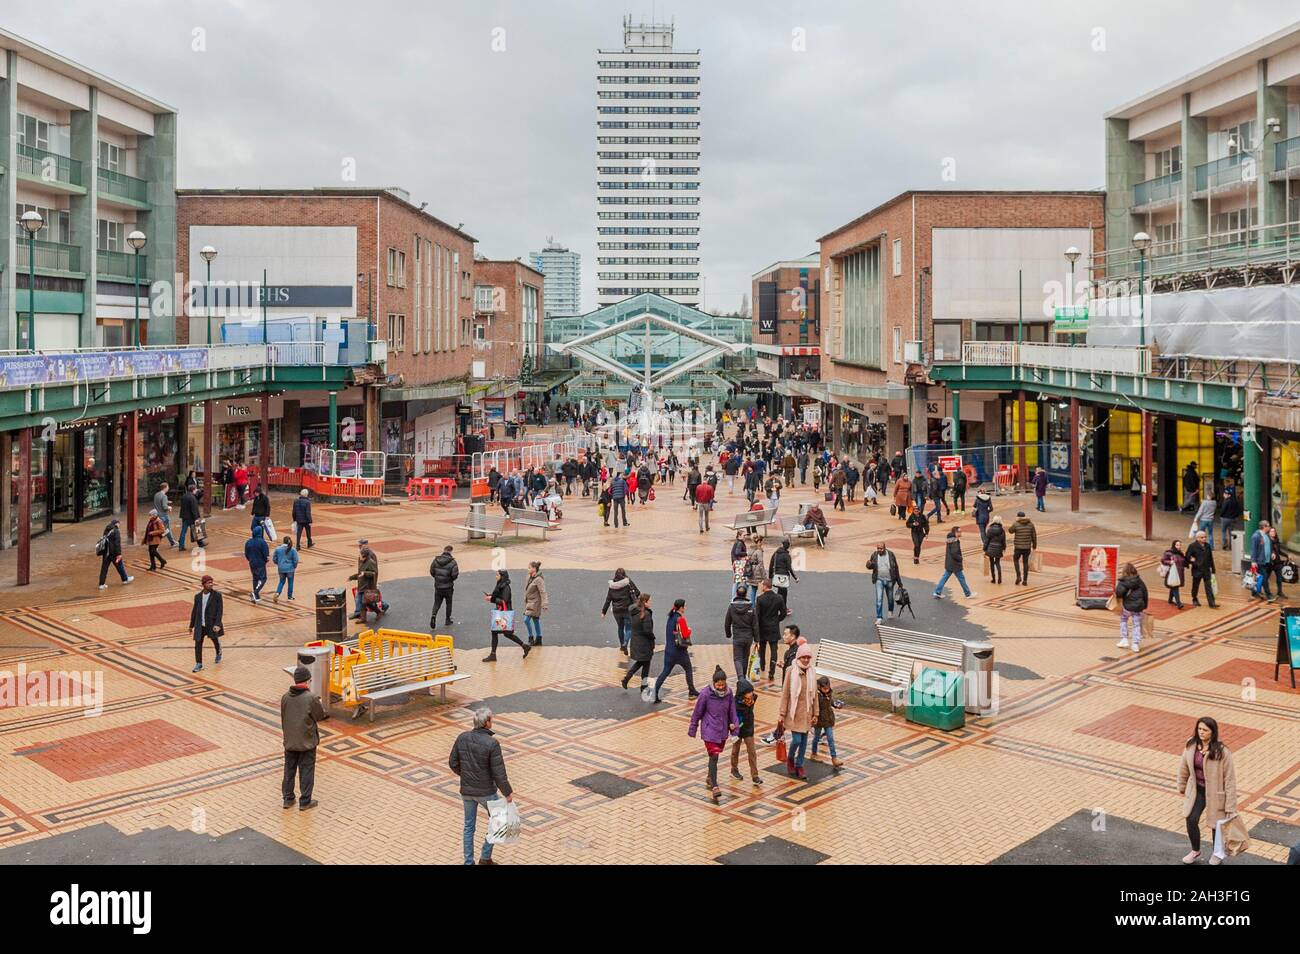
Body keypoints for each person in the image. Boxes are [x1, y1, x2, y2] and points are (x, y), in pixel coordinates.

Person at [448, 707, 514, 866]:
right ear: (486, 723)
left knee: (469, 827)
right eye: (491, 719)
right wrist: (508, 793)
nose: (493, 721)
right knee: (499, 819)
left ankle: (468, 862)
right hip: (486, 792)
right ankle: (485, 857)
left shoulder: (462, 737)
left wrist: (465, 776)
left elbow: (453, 763)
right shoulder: (492, 743)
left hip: (467, 792)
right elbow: (499, 773)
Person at [1177, 716, 1237, 865]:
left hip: (1216, 794)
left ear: (1212, 732)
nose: (1201, 732)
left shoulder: (1222, 752)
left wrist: (1230, 805)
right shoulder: (1191, 745)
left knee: (1216, 825)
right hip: (1198, 791)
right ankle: (1195, 850)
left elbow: (1230, 780)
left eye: (1205, 730)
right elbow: (1183, 767)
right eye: (1199, 729)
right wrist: (1182, 785)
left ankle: (1217, 854)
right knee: (1191, 819)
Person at [688, 665, 739, 803]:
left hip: (722, 730)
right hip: (709, 729)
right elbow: (697, 712)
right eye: (718, 684)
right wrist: (693, 727)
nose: (721, 687)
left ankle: (710, 777)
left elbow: (732, 712)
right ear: (714, 683)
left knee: (714, 755)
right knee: (714, 756)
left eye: (723, 684)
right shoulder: (705, 693)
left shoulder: (729, 694)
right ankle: (715, 786)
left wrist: (735, 729)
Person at [281, 664, 328, 811]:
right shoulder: (311, 698)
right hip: (307, 741)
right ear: (307, 681)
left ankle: (288, 799)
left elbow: (284, 717)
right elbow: (320, 716)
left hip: (289, 741)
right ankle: (305, 801)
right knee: (306, 770)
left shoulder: (285, 697)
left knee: (289, 770)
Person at [777, 643, 818, 780]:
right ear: (799, 657)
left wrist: (816, 713)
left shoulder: (812, 672)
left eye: (808, 657)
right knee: (796, 740)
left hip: (807, 712)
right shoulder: (791, 670)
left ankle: (799, 765)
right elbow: (785, 694)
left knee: (804, 741)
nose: (806, 660)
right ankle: (790, 759)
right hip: (794, 713)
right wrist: (782, 713)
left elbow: (815, 695)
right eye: (803, 657)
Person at [652, 598, 698, 702]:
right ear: (681, 608)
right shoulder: (680, 619)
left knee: (665, 672)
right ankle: (692, 691)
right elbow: (685, 634)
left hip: (669, 650)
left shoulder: (671, 617)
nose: (686, 608)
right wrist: (689, 630)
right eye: (685, 606)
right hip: (680, 651)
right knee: (688, 669)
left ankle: (655, 693)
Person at [484, 569, 529, 662]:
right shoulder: (501, 585)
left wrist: (491, 599)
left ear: (502, 576)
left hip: (504, 614)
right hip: (501, 612)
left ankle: (524, 646)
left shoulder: (506, 587)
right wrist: (492, 595)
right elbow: (499, 596)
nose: (496, 576)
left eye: (497, 575)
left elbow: (504, 601)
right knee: (495, 632)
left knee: (507, 633)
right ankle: (493, 654)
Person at [730, 676, 762, 787]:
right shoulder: (734, 704)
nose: (751, 695)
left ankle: (755, 776)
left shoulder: (753, 699)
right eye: (748, 693)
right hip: (737, 730)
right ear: (742, 694)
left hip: (748, 728)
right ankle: (734, 770)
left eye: (751, 692)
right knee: (735, 750)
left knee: (752, 751)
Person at [189, 574, 224, 673]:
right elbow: (194, 611)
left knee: (214, 639)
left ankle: (218, 652)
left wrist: (217, 624)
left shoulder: (217, 595)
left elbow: (219, 611)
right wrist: (191, 625)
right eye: (209, 583)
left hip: (211, 624)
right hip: (200, 625)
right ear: (203, 584)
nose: (211, 584)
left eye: (212, 582)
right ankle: (199, 663)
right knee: (198, 644)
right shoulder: (198, 597)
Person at [622, 593, 656, 693]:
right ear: (645, 602)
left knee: (642, 662)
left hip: (636, 641)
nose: (651, 602)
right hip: (644, 643)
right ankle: (643, 686)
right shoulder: (646, 614)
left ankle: (627, 679)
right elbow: (647, 631)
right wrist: (653, 638)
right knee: (645, 664)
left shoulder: (634, 611)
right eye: (650, 601)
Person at [601, 568, 640, 656]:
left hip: (616, 611)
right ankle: (625, 643)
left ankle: (622, 645)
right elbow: (637, 592)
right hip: (627, 609)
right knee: (629, 628)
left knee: (620, 627)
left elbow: (608, 600)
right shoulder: (628, 582)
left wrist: (604, 611)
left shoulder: (612, 586)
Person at [933, 524, 976, 600]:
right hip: (954, 563)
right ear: (956, 532)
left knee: (945, 577)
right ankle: (968, 593)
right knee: (961, 578)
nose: (961, 533)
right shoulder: (955, 541)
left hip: (949, 563)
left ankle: (937, 592)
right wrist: (960, 558)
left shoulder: (950, 539)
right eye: (960, 531)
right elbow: (954, 553)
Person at [810, 675, 843, 771]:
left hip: (828, 719)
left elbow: (831, 701)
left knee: (830, 738)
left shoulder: (828, 693)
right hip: (819, 720)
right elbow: (814, 706)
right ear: (819, 687)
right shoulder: (817, 695)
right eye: (824, 688)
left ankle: (834, 758)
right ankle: (814, 753)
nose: (827, 690)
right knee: (816, 737)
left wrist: (836, 705)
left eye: (828, 688)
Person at [724, 584, 758, 679]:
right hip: (748, 637)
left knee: (737, 658)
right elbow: (755, 625)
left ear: (737, 594)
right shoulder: (751, 607)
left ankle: (740, 677)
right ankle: (743, 676)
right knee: (745, 657)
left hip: (737, 636)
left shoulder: (731, 607)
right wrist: (756, 638)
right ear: (746, 594)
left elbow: (727, 623)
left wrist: (728, 634)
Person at [1114, 562, 1149, 653]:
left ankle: (1124, 639)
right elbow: (1145, 593)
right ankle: (1135, 644)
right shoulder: (1139, 581)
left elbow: (1119, 593)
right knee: (1136, 624)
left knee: (1123, 620)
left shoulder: (1123, 581)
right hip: (1138, 607)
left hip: (1127, 607)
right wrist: (1144, 605)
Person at [755, 579, 786, 679]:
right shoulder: (779, 598)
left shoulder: (760, 599)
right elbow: (783, 613)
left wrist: (756, 627)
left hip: (762, 627)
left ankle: (762, 665)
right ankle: (771, 672)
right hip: (773, 627)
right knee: (774, 651)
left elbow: (757, 615)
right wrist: (777, 620)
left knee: (762, 648)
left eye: (762, 585)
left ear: (765, 586)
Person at [866, 541, 901, 621]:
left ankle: (890, 611)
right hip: (879, 580)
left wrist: (899, 582)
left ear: (885, 548)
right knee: (879, 599)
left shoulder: (891, 555)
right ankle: (879, 617)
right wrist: (868, 565)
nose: (879, 550)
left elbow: (896, 568)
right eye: (878, 548)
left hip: (889, 580)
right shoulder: (874, 555)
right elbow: (871, 566)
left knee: (890, 598)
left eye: (881, 548)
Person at [347, 539, 382, 619]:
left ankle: (380, 610)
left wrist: (373, 582)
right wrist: (352, 577)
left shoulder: (371, 557)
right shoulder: (362, 557)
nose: (359, 547)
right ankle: (362, 617)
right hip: (362, 584)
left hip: (367, 585)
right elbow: (360, 571)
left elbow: (374, 572)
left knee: (368, 601)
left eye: (360, 545)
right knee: (363, 601)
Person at [96, 517, 134, 590]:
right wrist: (119, 554)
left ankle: (101, 584)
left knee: (104, 568)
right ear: (116, 523)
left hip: (106, 553)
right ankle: (125, 579)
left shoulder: (106, 529)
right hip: (113, 553)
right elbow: (117, 543)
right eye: (119, 523)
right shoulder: (116, 531)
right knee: (120, 566)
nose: (119, 525)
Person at [1186, 530, 1218, 609]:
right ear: (1197, 538)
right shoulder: (1192, 546)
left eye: (1205, 537)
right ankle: (1194, 598)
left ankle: (1211, 602)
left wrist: (1213, 569)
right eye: (1202, 537)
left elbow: (1211, 558)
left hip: (1206, 570)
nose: (1204, 538)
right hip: (1197, 570)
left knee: (1208, 586)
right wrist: (1193, 562)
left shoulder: (1208, 546)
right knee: (1195, 586)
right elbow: (1187, 557)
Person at [429, 545, 459, 627]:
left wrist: (437, 578)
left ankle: (433, 615)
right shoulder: (453, 562)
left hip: (438, 586)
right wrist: (450, 580)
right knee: (448, 603)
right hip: (448, 587)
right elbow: (454, 575)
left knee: (437, 602)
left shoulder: (436, 560)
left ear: (444, 550)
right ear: (451, 551)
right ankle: (447, 619)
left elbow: (431, 571)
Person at [522, 561, 548, 646]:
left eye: (529, 567)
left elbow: (543, 592)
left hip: (535, 603)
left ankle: (531, 638)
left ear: (534, 569)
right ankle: (539, 638)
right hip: (529, 602)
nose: (528, 569)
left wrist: (544, 604)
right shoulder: (529, 577)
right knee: (535, 620)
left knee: (526, 620)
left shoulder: (539, 579)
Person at [1248, 520, 1275, 602]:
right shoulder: (1256, 536)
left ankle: (1254, 593)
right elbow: (1253, 549)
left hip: (1267, 561)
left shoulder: (1266, 536)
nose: (1269, 527)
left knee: (1259, 578)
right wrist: (1253, 561)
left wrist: (1272, 553)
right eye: (1268, 526)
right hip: (1259, 562)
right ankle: (1268, 595)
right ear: (1264, 527)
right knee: (1265, 578)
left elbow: (1270, 546)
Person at [244, 523, 270, 603]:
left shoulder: (248, 542)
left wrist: (250, 559)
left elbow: (246, 554)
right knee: (263, 578)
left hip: (252, 563)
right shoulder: (262, 542)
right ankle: (255, 592)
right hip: (260, 563)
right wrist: (265, 560)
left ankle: (256, 596)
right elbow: (266, 555)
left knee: (255, 579)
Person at [1010, 511, 1038, 586]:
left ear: (1018, 517)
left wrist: (1015, 522)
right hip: (1027, 548)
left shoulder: (1016, 524)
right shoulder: (1031, 524)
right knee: (1025, 563)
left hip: (1018, 547)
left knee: (1016, 560)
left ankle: (1018, 576)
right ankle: (1025, 580)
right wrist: (1034, 545)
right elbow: (1034, 536)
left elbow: (1010, 531)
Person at [768, 538, 798, 605]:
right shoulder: (787, 556)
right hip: (784, 576)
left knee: (779, 591)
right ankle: (783, 608)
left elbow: (771, 565)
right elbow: (789, 568)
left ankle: (777, 606)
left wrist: (770, 577)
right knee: (784, 593)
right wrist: (795, 577)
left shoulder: (775, 554)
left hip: (777, 575)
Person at [1161, 539, 1188, 609]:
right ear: (1174, 545)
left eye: (1179, 545)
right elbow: (1163, 560)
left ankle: (1170, 599)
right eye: (1177, 545)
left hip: (1180, 573)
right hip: (1172, 573)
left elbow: (1184, 562)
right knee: (1175, 587)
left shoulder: (1181, 553)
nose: (1178, 546)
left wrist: (1188, 559)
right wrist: (1170, 562)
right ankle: (1178, 603)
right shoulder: (1168, 553)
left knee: (1174, 586)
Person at [272, 536, 299, 602]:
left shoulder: (278, 549)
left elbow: (274, 559)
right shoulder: (292, 549)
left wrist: (278, 563)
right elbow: (296, 559)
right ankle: (289, 597)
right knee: (290, 582)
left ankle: (278, 592)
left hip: (281, 568)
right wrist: (294, 566)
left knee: (281, 581)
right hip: (290, 569)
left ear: (283, 541)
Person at [153, 481, 177, 548]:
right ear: (165, 488)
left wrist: (167, 501)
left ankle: (172, 542)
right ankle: (155, 544)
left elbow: (158, 502)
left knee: (165, 530)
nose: (168, 488)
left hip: (157, 515)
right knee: (164, 531)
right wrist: (169, 507)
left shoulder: (156, 494)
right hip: (163, 516)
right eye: (167, 487)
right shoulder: (164, 496)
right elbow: (164, 507)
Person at [984, 514, 1007, 584]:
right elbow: (1003, 540)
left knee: (991, 563)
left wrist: (984, 548)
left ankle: (993, 578)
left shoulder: (990, 529)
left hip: (990, 548)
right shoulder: (1002, 530)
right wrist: (1004, 548)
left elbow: (987, 540)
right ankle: (1000, 578)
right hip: (999, 548)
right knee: (997, 562)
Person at [179, 483, 201, 550]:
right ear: (193, 490)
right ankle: (200, 543)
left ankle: (181, 545)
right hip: (191, 517)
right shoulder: (192, 498)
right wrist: (196, 518)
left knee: (183, 531)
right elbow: (194, 509)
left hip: (184, 516)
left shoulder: (184, 496)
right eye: (195, 489)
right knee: (196, 530)